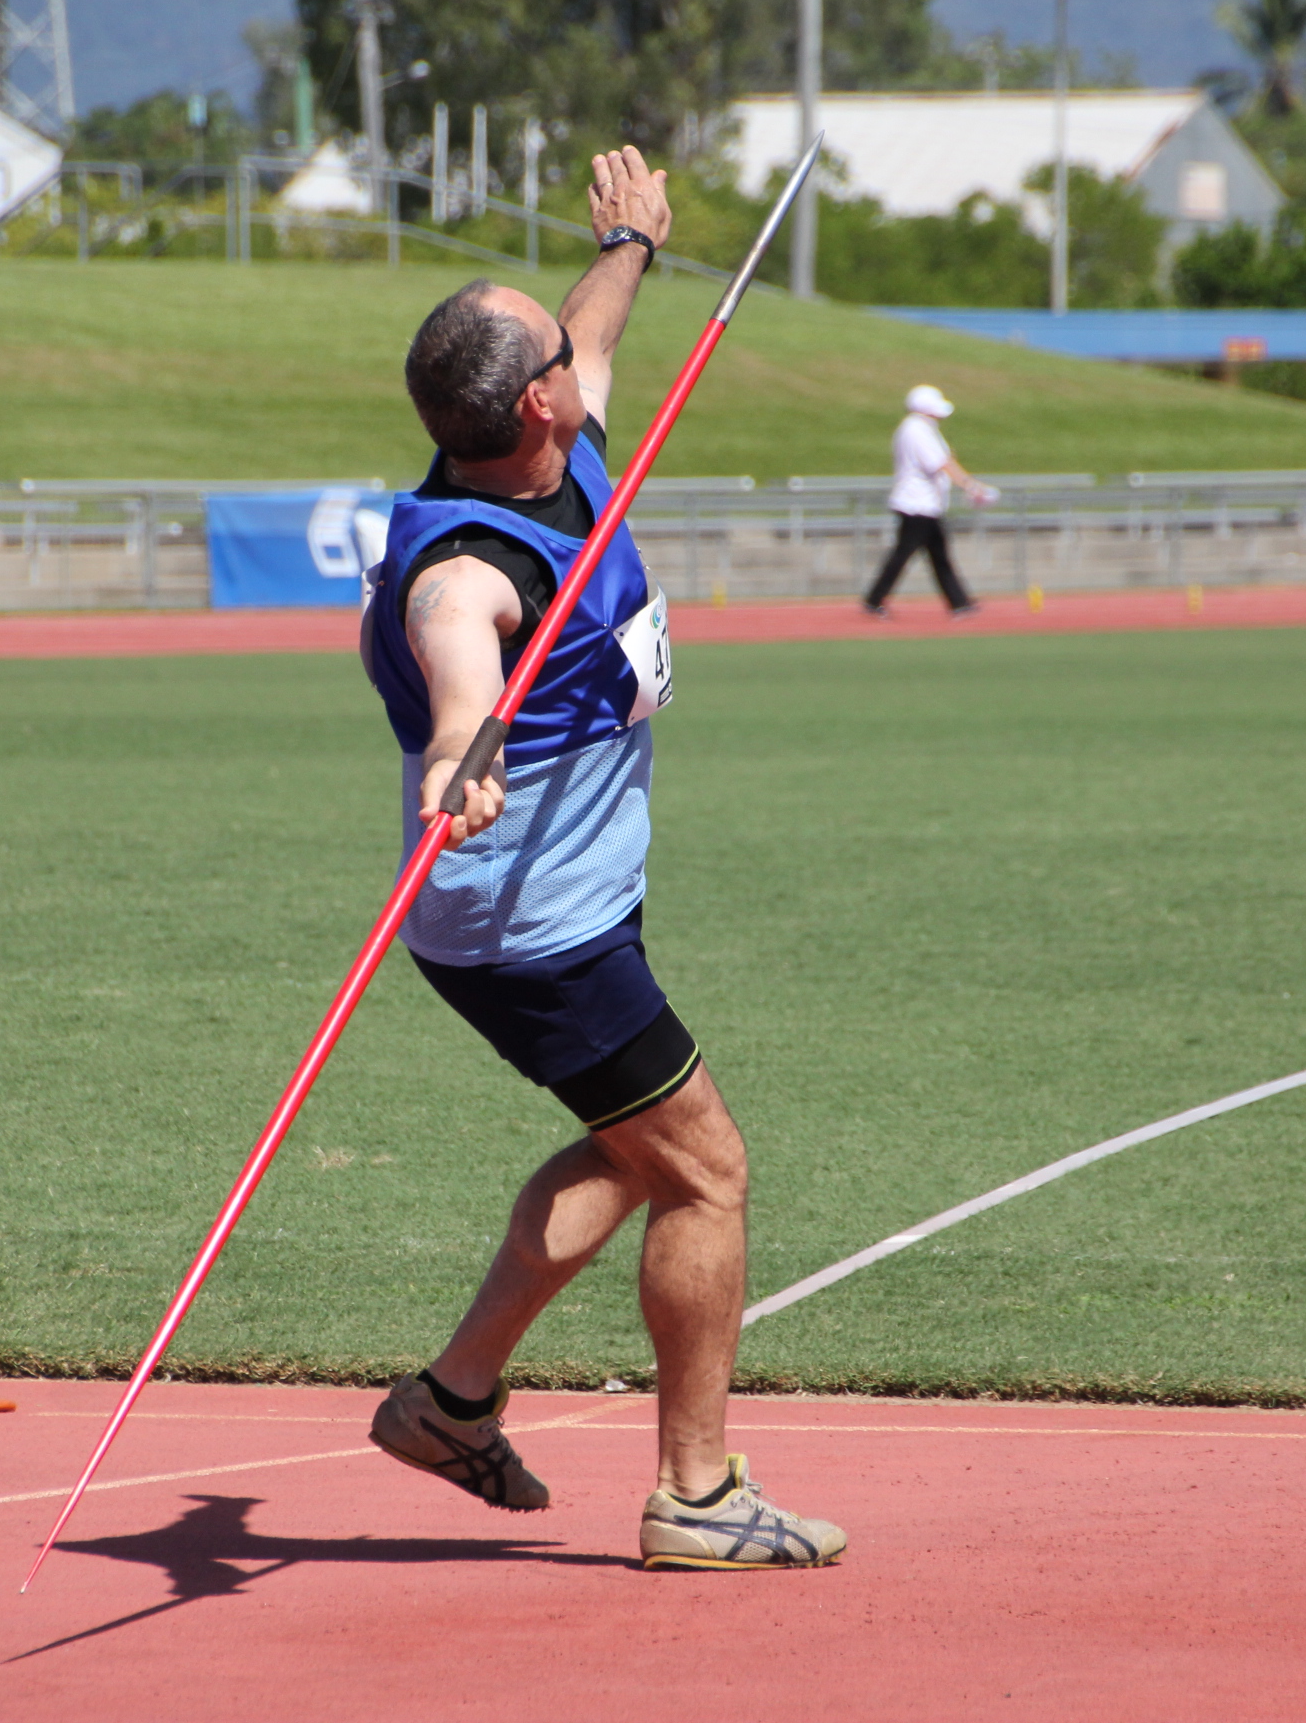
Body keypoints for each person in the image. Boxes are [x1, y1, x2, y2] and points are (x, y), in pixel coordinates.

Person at [356, 145, 845, 1571]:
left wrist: (631, 243)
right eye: (564, 358)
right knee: (707, 1173)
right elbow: (458, 681)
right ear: (535, 402)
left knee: (633, 1157)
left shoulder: (545, 448)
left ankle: (452, 1402)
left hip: (563, 906)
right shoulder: (469, 565)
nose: (586, 359)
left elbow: (598, 336)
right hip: (531, 928)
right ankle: (695, 1496)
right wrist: (459, 765)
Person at [863, 383, 996, 618]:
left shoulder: (919, 428)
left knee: (937, 554)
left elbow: (944, 459)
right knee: (905, 554)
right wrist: (972, 486)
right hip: (917, 505)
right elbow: (941, 463)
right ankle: (874, 600)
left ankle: (959, 602)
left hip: (924, 505)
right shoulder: (917, 430)